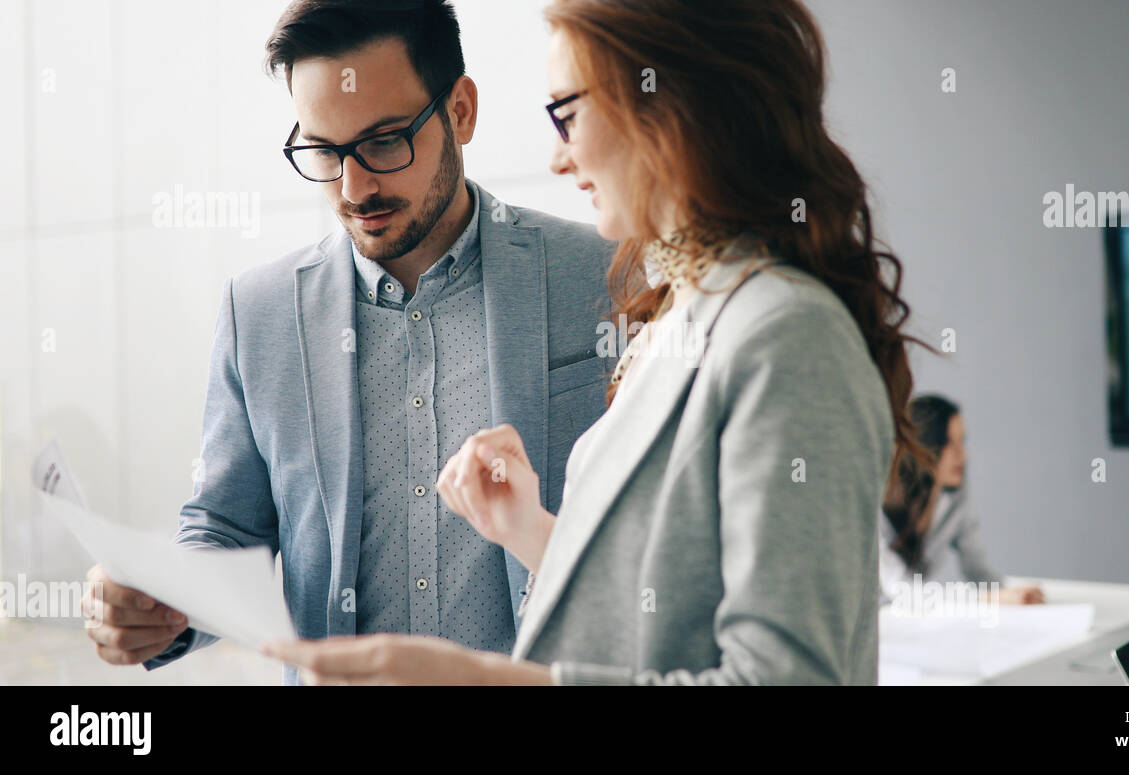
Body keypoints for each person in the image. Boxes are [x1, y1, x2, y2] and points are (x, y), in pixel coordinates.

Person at [263, 0, 932, 686]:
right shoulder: (681, 315)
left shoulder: (787, 333)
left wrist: (485, 681)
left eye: (568, 114)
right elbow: (669, 615)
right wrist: (529, 529)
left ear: (667, 105)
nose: (558, 156)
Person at [81, 0, 614, 685]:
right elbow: (227, 525)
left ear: (461, 111)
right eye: (324, 151)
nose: (354, 187)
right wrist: (160, 600)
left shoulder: (599, 278)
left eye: (385, 141)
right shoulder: (261, 313)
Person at [879, 394, 1045, 604]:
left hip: (911, 619)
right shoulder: (878, 504)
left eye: (962, 442)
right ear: (922, 446)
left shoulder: (956, 498)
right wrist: (989, 598)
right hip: (872, 622)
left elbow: (978, 571)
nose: (961, 455)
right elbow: (902, 590)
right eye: (949, 443)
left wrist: (1013, 593)